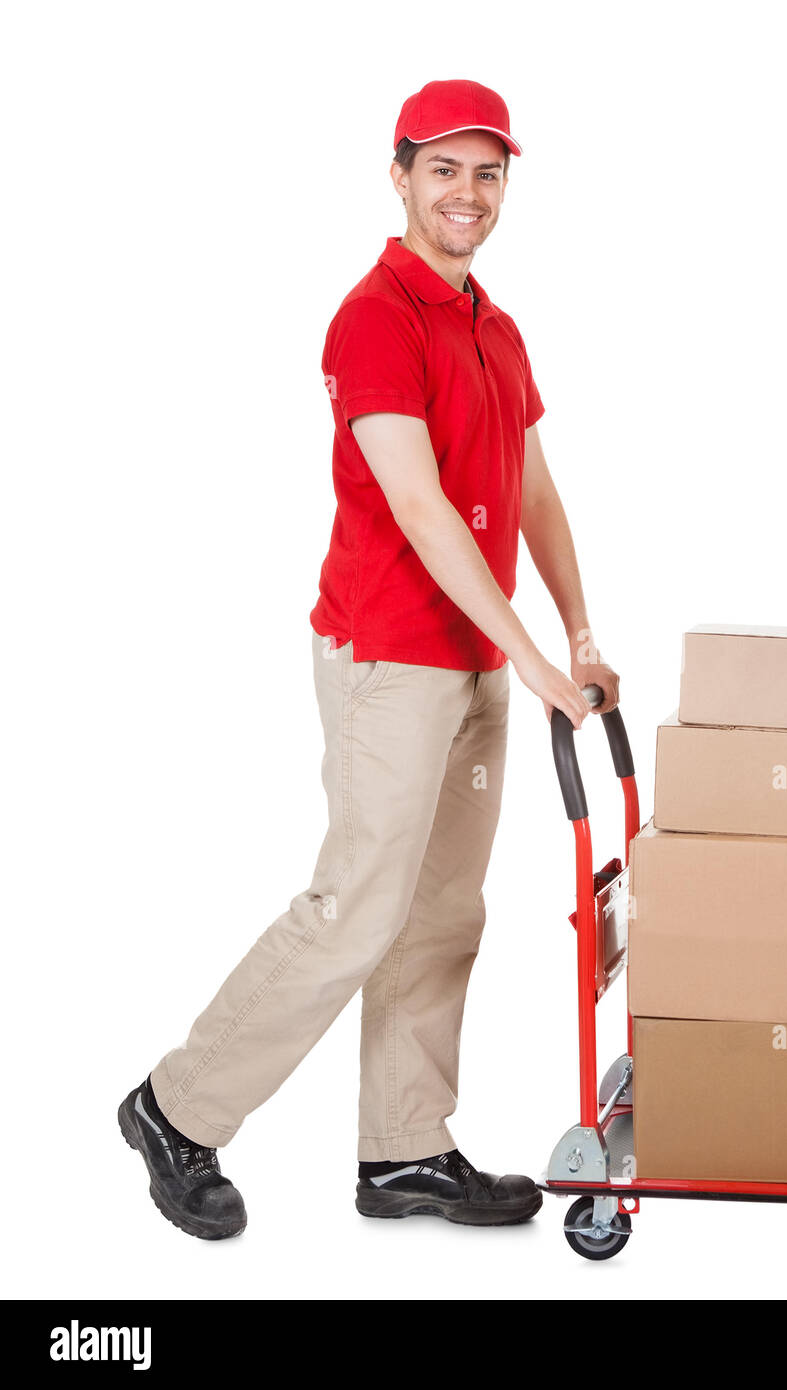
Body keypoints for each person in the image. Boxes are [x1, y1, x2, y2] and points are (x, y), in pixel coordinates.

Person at [118, 78, 619, 1240]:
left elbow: (532, 488)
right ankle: (174, 1108)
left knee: (444, 910)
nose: (467, 192)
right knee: (357, 903)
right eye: (443, 169)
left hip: (476, 659)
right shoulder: (374, 315)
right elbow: (422, 506)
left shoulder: (495, 322)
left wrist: (578, 635)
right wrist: (538, 657)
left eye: (488, 172)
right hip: (389, 657)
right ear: (398, 177)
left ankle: (403, 1149)